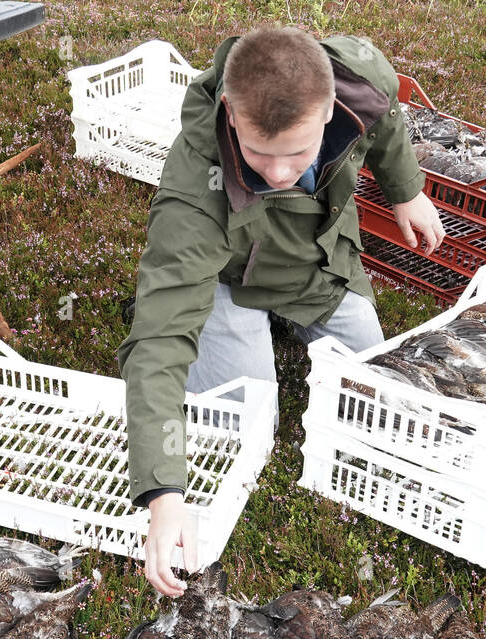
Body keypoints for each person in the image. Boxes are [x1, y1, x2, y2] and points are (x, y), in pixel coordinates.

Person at [117, 25, 445, 597]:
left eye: (297, 153)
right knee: (247, 426)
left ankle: (291, 320)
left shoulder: (361, 78)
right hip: (230, 282)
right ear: (230, 113)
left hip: (316, 266)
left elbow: (387, 115)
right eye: (259, 153)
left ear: (328, 114)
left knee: (380, 385)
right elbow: (161, 340)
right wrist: (164, 495)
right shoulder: (194, 190)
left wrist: (405, 189)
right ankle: (242, 332)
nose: (277, 172)